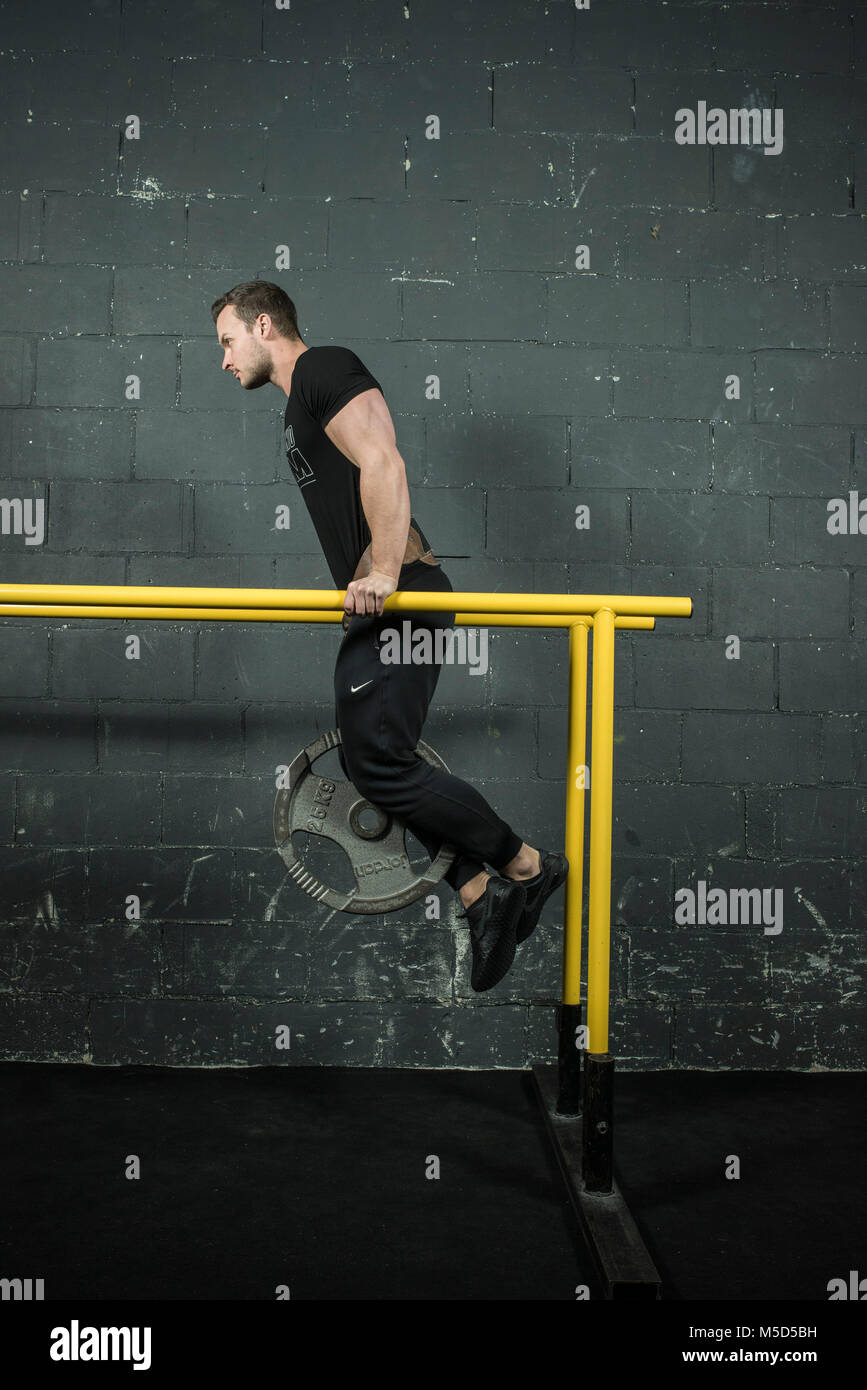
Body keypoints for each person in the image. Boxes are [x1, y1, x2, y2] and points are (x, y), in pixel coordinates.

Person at [211, 281, 568, 991]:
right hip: (379, 607)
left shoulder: (322, 367)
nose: (223, 359)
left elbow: (384, 459)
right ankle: (477, 891)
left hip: (400, 598)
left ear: (261, 324)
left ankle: (527, 866)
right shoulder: (297, 405)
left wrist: (379, 571)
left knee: (377, 762)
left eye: (226, 341)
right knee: (377, 760)